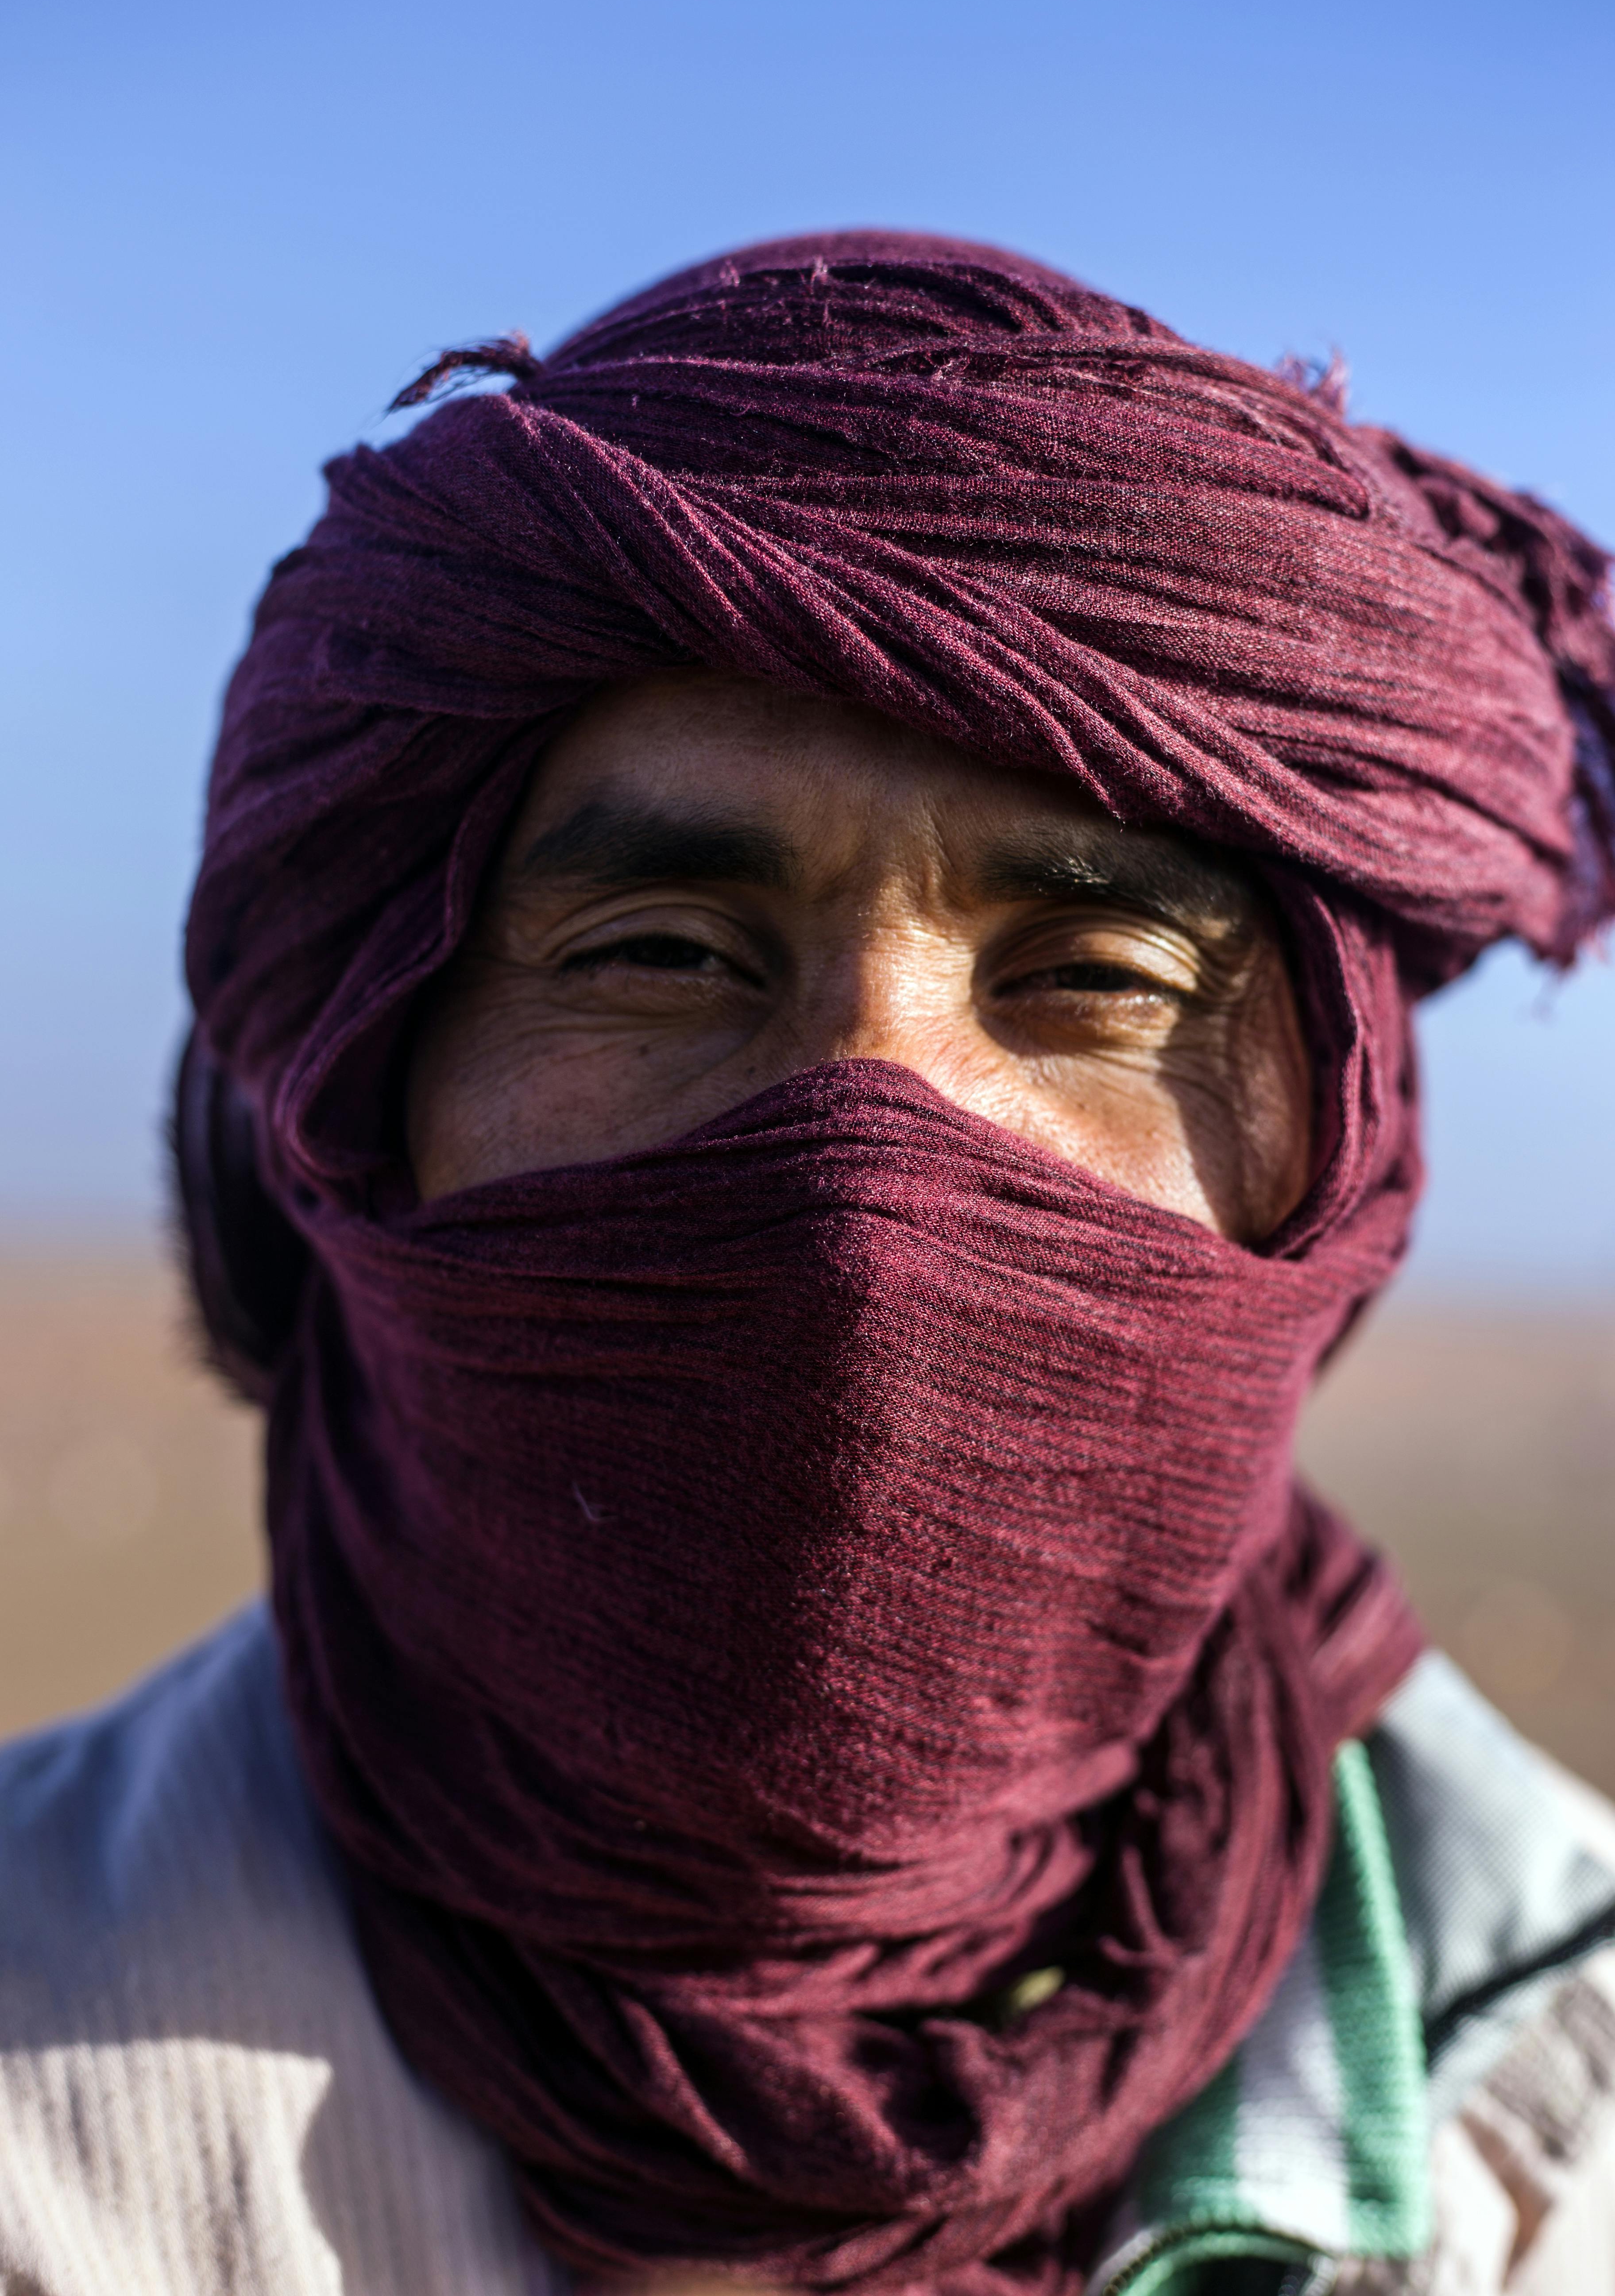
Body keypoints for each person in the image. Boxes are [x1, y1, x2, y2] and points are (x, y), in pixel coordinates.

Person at [3, 233, 1615, 2296]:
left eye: (1095, 980)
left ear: (1335, 1167)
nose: (870, 1168)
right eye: (660, 956)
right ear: (362, 1107)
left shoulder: (1557, 2121)